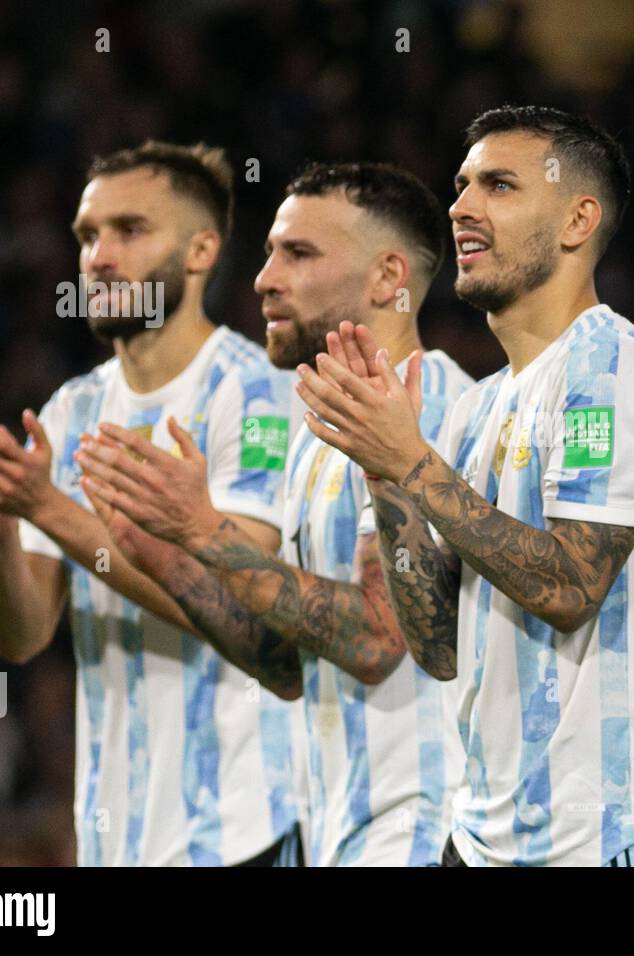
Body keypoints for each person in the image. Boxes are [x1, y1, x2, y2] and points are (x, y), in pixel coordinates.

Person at [297, 106, 634, 866]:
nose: (460, 206)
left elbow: (570, 586)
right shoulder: (477, 407)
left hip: (603, 836)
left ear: (578, 220)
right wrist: (385, 473)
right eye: (461, 185)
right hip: (481, 838)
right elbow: (437, 646)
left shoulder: (612, 367)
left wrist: (412, 462)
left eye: (499, 185)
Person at [76, 162, 473, 865]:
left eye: (299, 253)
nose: (264, 279)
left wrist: (205, 530)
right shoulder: (314, 439)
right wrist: (164, 553)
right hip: (336, 833)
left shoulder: (434, 406)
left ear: (387, 277)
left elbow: (377, 640)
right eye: (268, 253)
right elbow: (288, 663)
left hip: (423, 826)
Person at [0, 141, 302, 866]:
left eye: (130, 231)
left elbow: (241, 601)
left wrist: (49, 507)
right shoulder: (72, 409)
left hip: (243, 828)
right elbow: (22, 637)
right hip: (116, 838)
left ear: (201, 251)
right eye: (87, 236)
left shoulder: (257, 392)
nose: (98, 257)